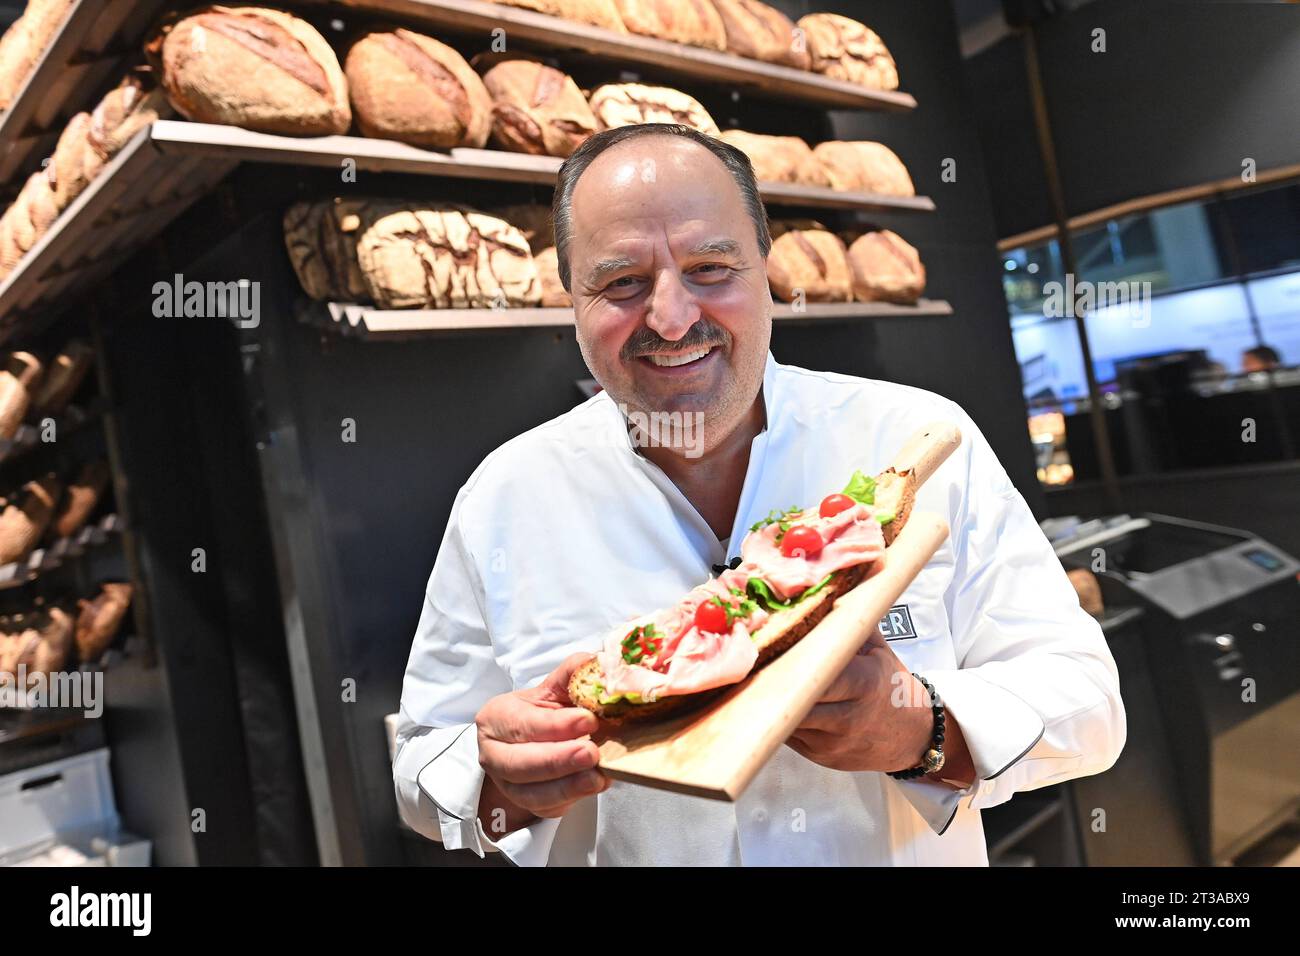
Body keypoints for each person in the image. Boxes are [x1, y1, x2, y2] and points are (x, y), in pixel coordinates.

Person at [393, 124, 1126, 866]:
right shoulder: (504, 495)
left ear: (766, 268)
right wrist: (501, 783)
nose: (672, 319)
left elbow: (1087, 703)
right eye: (622, 282)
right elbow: (423, 768)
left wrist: (918, 725)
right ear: (570, 295)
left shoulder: (916, 435)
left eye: (711, 267)